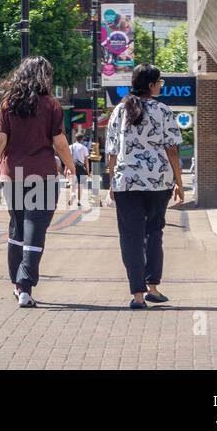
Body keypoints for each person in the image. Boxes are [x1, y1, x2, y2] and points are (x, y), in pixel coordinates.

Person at [0, 56, 76, 308]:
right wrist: (71, 166)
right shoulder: (51, 105)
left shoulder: (7, 104)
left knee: (17, 227)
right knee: (35, 227)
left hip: (11, 176)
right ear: (44, 77)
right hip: (42, 175)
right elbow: (60, 142)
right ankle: (24, 286)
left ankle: (16, 283)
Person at [106, 63, 186, 309]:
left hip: (126, 183)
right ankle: (153, 287)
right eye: (160, 82)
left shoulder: (120, 110)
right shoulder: (162, 110)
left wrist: (112, 182)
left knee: (130, 237)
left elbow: (112, 151)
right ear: (151, 85)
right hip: (158, 182)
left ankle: (137, 295)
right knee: (153, 233)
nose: (162, 85)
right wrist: (179, 182)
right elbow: (172, 149)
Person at [69, 134, 90, 205]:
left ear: (75, 138)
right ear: (82, 139)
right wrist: (88, 170)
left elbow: (68, 159)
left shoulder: (70, 147)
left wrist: (66, 168)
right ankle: (78, 201)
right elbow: (86, 161)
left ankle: (72, 194)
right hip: (81, 167)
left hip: (72, 166)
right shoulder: (84, 148)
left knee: (72, 184)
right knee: (80, 185)